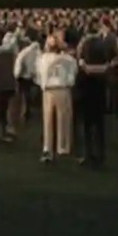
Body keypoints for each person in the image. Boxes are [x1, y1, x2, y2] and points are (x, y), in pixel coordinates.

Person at [76, 20, 115, 167]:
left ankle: (88, 154)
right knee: (99, 125)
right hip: (100, 91)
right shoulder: (104, 46)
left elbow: (80, 70)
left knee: (86, 125)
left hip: (86, 91)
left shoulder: (84, 47)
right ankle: (101, 155)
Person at [37, 34, 77, 163]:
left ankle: (48, 147)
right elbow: (73, 73)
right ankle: (63, 146)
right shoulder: (69, 59)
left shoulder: (42, 59)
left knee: (48, 120)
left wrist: (42, 84)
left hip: (49, 90)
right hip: (62, 88)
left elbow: (39, 73)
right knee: (63, 119)